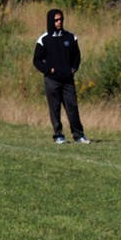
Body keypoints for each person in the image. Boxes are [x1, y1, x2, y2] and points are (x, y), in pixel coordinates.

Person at [33, 8, 90, 144]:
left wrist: (73, 69)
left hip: (68, 81)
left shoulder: (71, 37)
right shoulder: (43, 40)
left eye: (61, 19)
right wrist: (49, 70)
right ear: (51, 21)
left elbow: (77, 56)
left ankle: (78, 136)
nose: (59, 22)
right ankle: (58, 136)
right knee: (55, 108)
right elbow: (37, 60)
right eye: (56, 20)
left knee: (72, 107)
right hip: (52, 81)